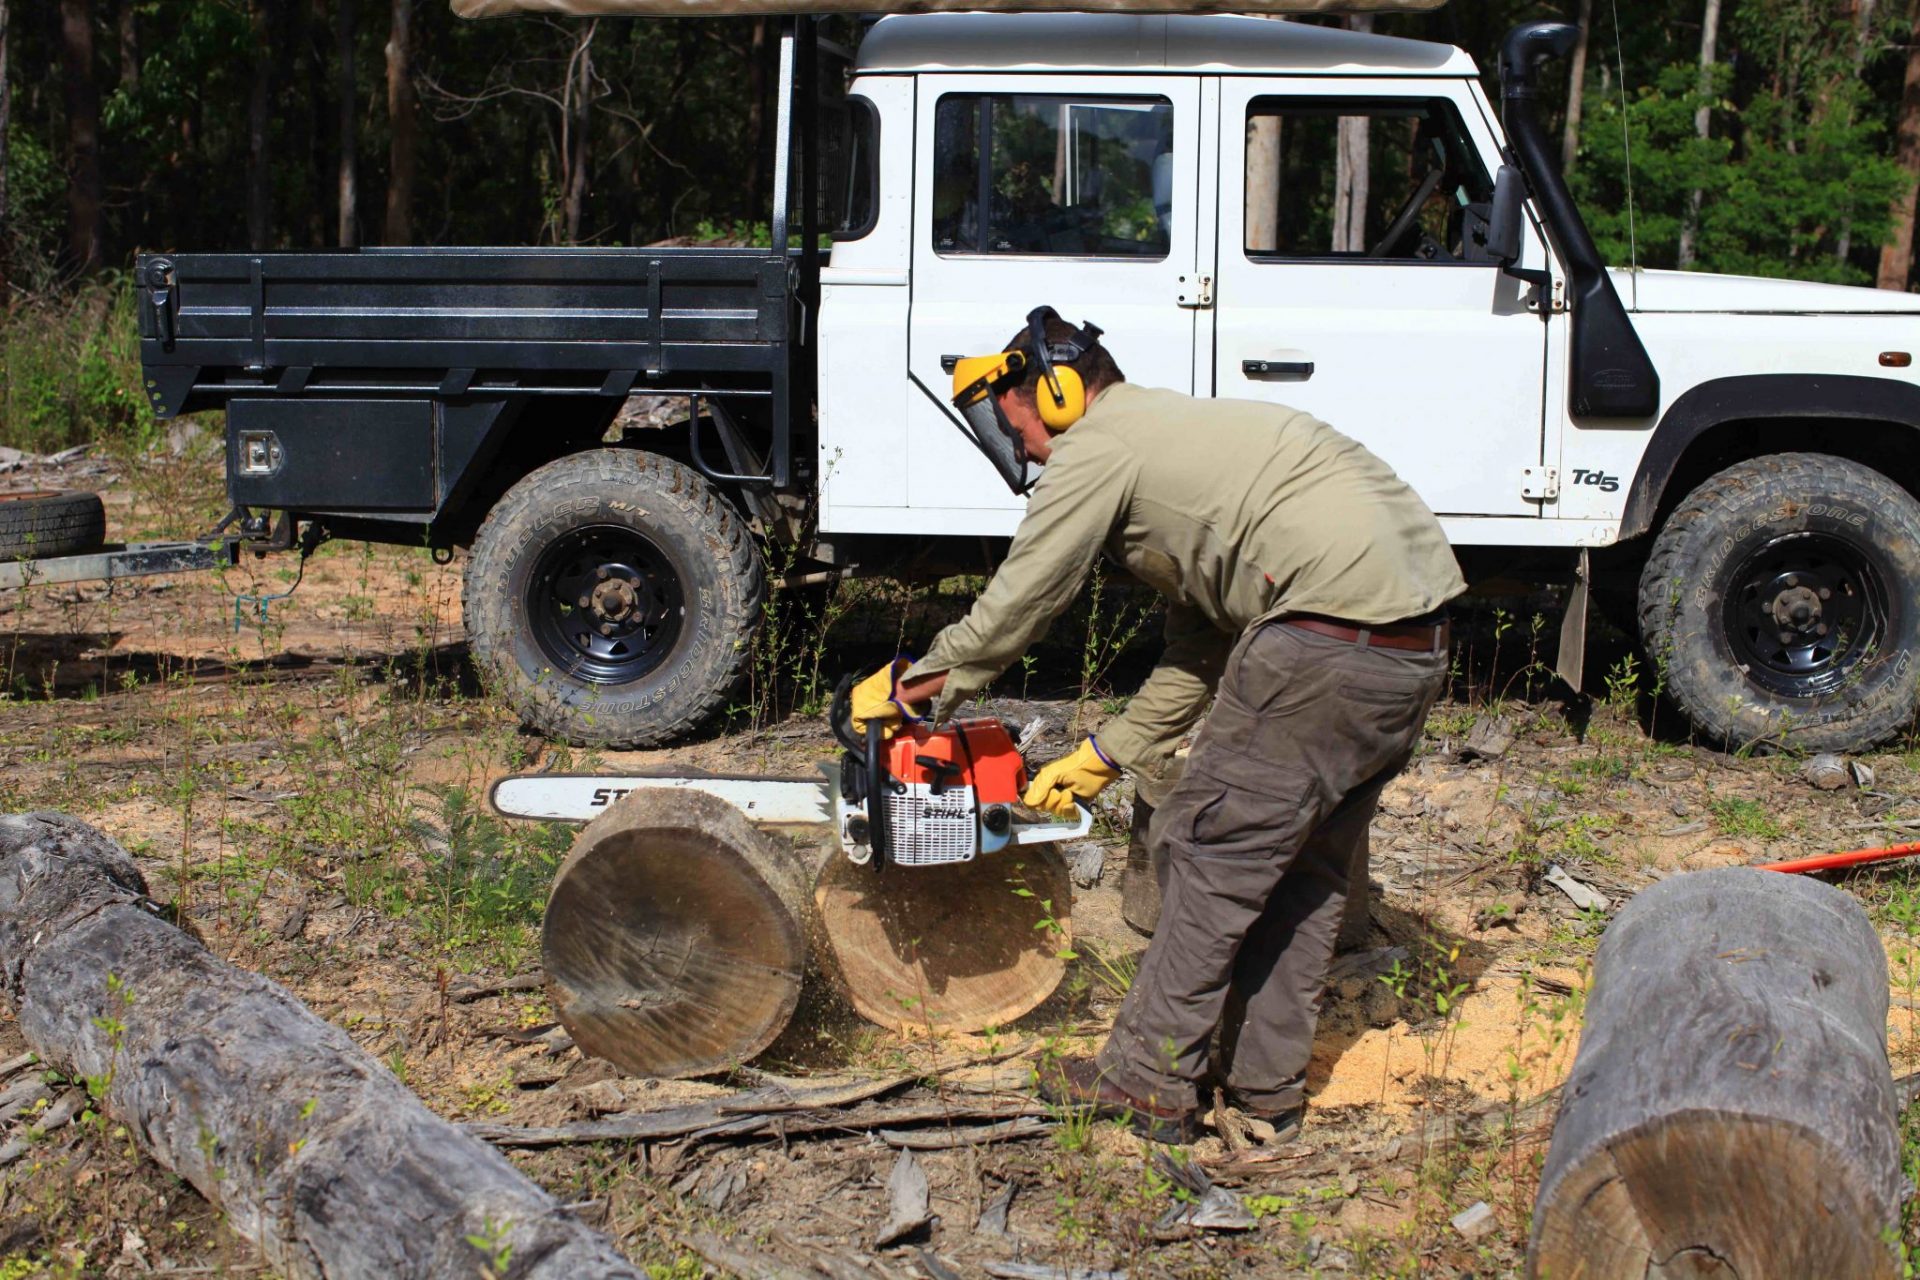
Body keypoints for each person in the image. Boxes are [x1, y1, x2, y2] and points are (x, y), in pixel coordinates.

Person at [848, 306, 1466, 1144]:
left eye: (1015, 422)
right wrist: (1107, 754)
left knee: (1205, 851)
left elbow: (1027, 591)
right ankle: (1262, 1087)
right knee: (1303, 872)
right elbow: (1204, 646)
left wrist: (922, 686)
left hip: (1323, 633)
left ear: (1057, 390)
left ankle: (1146, 1080)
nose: (1021, 448)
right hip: (1411, 642)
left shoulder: (1101, 445)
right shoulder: (1176, 438)